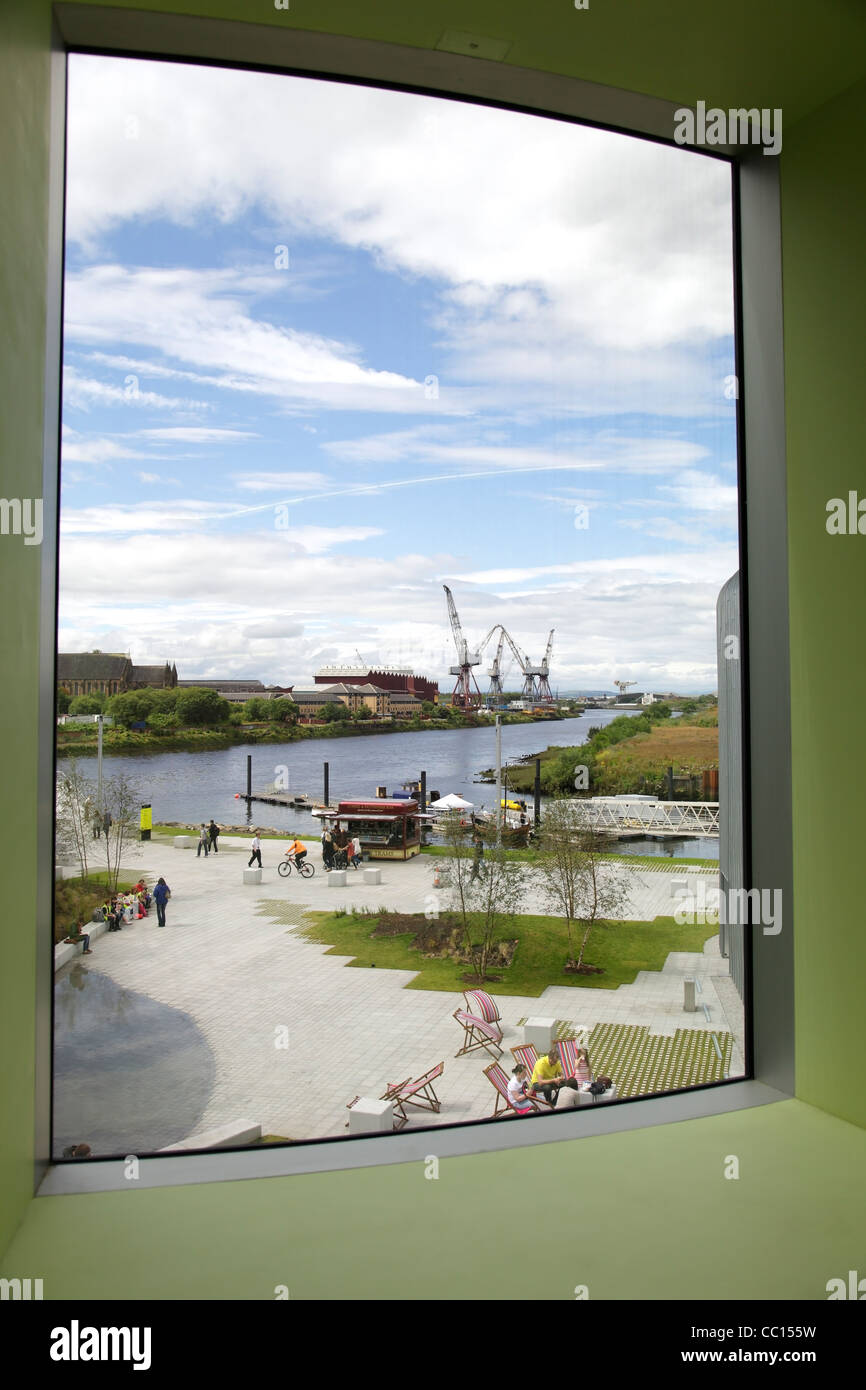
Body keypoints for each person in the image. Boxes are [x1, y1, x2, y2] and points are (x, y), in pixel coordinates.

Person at [530, 1044, 579, 1108]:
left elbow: (562, 1075)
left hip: (550, 1081)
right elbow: (540, 1082)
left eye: (556, 1061)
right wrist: (553, 1080)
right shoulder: (541, 1063)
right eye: (554, 1061)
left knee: (565, 1084)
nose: (555, 1063)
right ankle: (549, 1103)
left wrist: (560, 1078)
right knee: (547, 1087)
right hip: (537, 1083)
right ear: (550, 1058)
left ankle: (554, 1102)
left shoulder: (556, 1062)